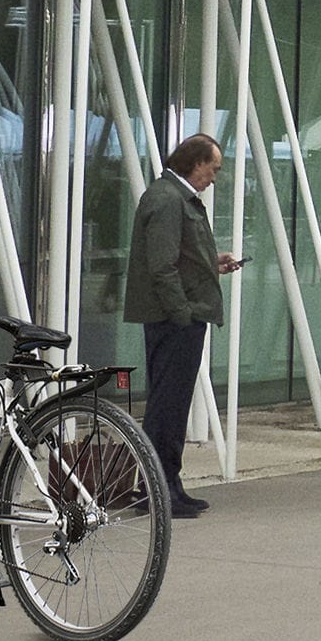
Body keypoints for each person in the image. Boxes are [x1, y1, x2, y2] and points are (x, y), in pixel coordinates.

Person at [123, 133, 242, 519]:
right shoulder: (168, 198)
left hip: (179, 315)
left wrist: (213, 262)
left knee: (172, 406)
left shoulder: (174, 197)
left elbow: (176, 257)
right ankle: (158, 488)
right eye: (214, 167)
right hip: (174, 319)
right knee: (167, 407)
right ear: (195, 162)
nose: (215, 176)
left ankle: (166, 484)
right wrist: (182, 313)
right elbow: (161, 266)